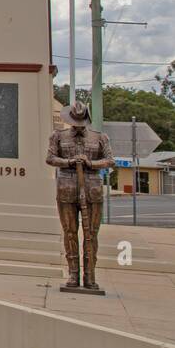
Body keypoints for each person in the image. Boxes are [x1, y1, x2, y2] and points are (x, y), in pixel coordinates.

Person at [45, 102, 114, 290]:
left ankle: (90, 275)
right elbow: (50, 158)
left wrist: (90, 163)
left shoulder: (100, 137)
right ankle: (73, 275)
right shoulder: (58, 136)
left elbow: (110, 160)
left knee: (91, 234)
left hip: (92, 189)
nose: (78, 125)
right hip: (66, 188)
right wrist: (69, 161)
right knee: (70, 233)